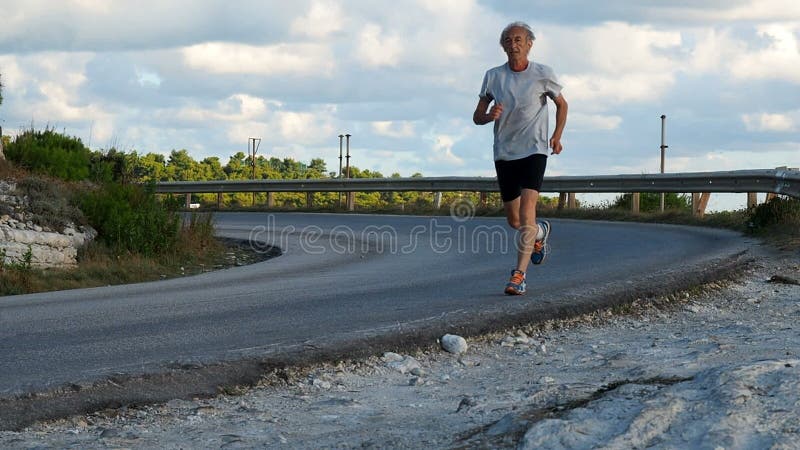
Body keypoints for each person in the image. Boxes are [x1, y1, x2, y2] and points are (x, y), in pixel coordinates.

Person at [473, 21, 568, 296]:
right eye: (508, 41)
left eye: (518, 40)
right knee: (515, 222)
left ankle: (519, 276)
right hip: (504, 152)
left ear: (529, 44)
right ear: (503, 46)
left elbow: (562, 104)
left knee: (527, 212)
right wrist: (489, 116)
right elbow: (477, 116)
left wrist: (556, 135)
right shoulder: (493, 76)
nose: (513, 45)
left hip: (534, 150)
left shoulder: (542, 74)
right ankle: (539, 233)